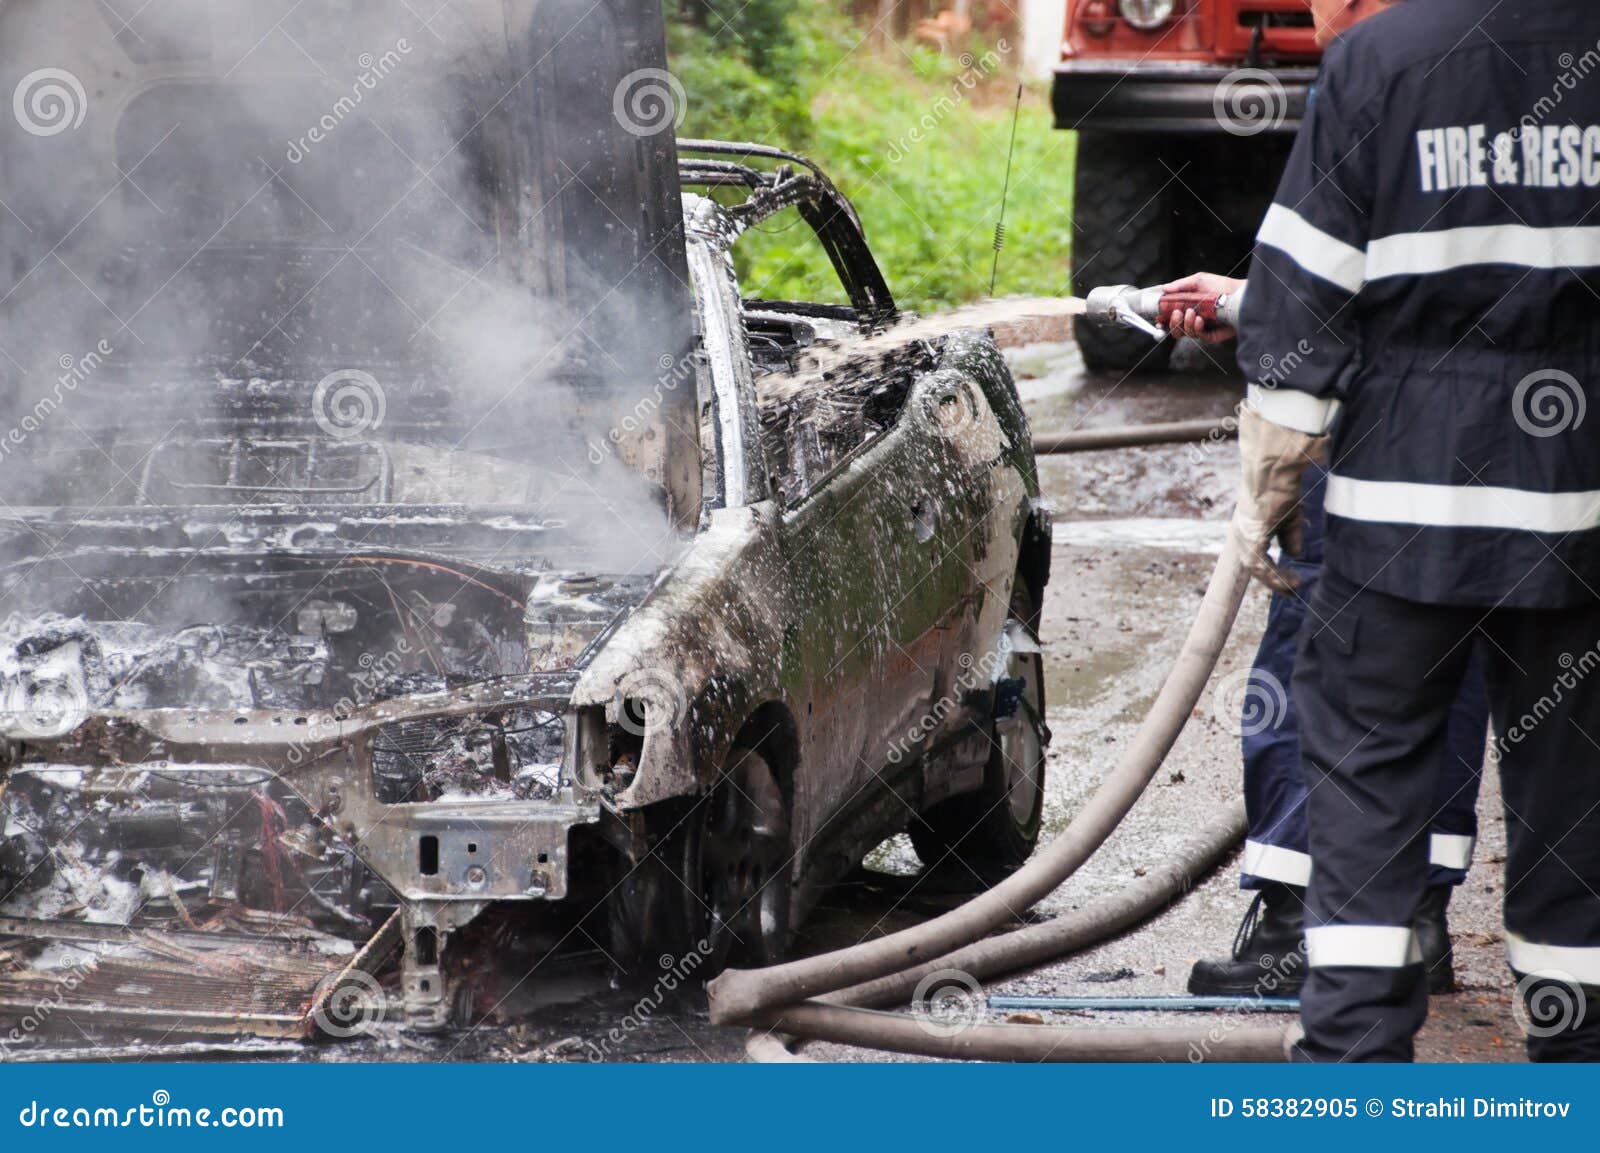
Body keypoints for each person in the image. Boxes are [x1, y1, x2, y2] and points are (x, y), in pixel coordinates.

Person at [1191, 0, 1600, 1062]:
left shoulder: (1381, 61)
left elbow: (1301, 299)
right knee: (1574, 803)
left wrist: (1266, 490)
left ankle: (1357, 1072)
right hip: (1576, 521)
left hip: (1397, 523)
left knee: (1369, 784)